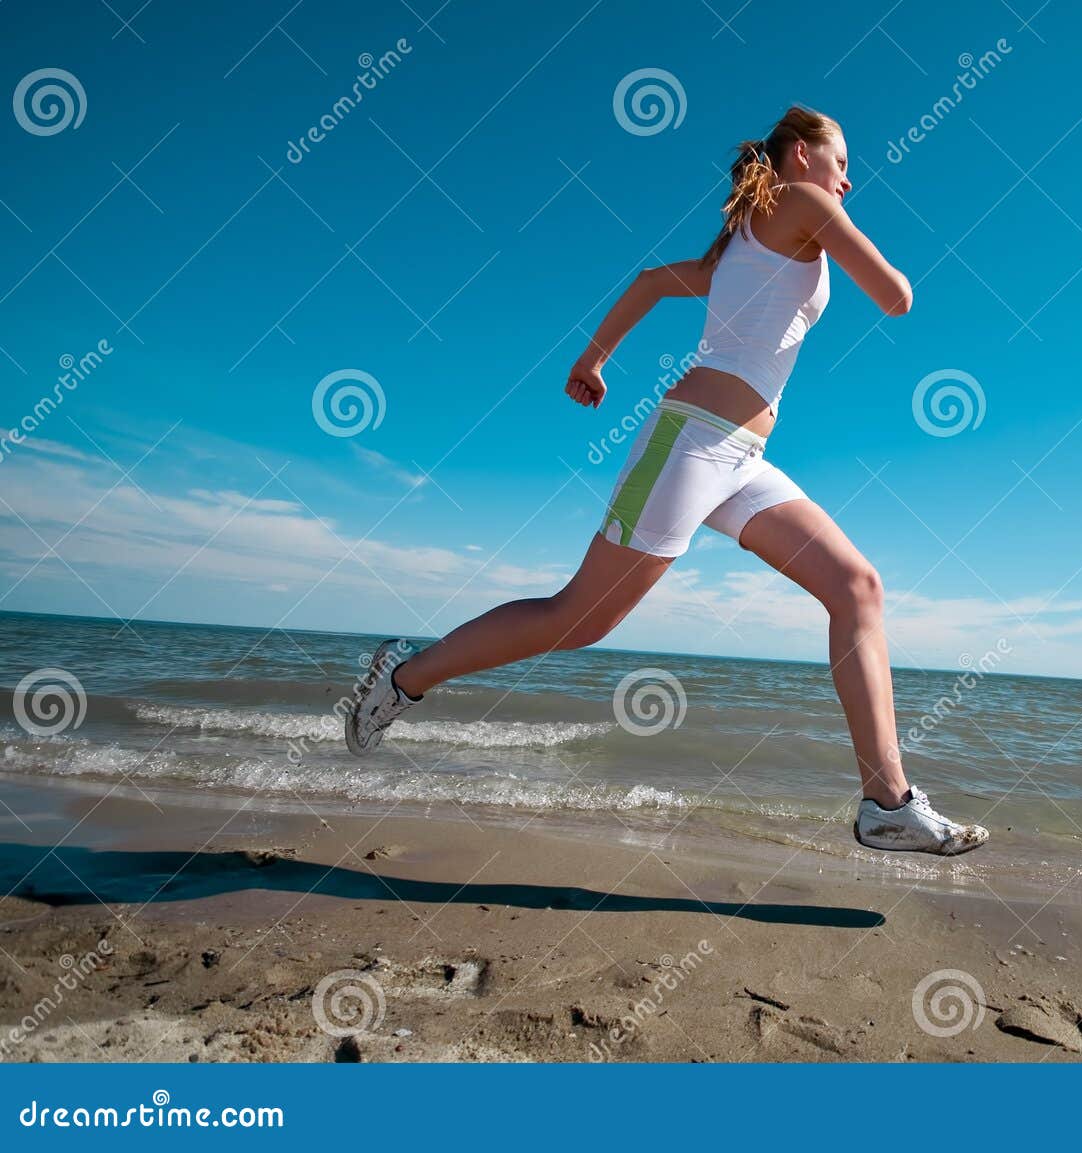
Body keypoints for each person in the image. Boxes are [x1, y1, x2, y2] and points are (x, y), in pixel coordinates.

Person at [346, 105, 988, 856]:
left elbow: (653, 281)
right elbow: (895, 295)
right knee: (579, 619)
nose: (850, 176)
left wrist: (594, 360)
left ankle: (886, 803)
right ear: (799, 156)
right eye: (840, 159)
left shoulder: (747, 240)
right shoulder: (800, 205)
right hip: (690, 444)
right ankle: (403, 675)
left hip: (742, 460)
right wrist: (590, 360)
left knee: (857, 587)